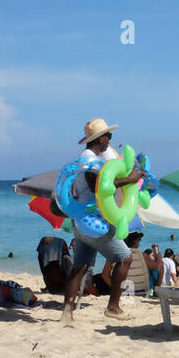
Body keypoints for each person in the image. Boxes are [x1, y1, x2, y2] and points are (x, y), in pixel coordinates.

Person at [63, 118, 143, 321]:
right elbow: (94, 185)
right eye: (108, 135)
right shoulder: (89, 159)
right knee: (125, 258)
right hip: (94, 222)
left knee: (80, 265)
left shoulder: (87, 157)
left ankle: (67, 311)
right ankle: (113, 307)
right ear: (100, 138)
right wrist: (129, 180)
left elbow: (97, 183)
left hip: (82, 219)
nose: (111, 138)